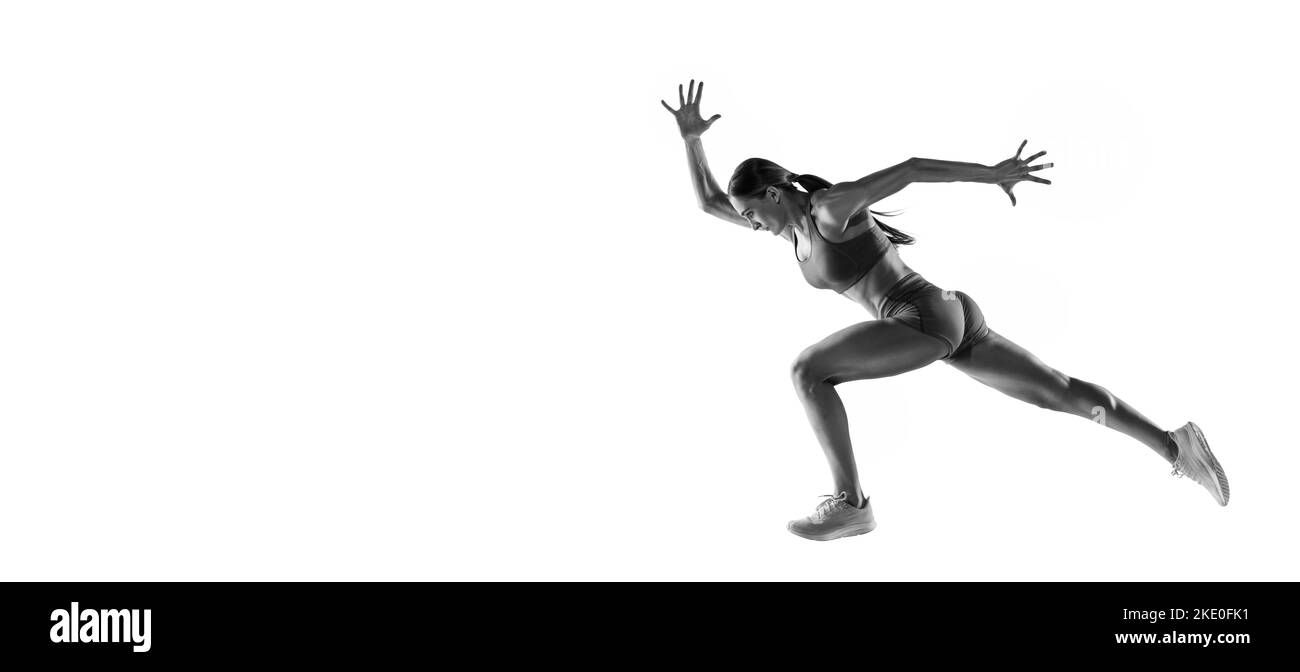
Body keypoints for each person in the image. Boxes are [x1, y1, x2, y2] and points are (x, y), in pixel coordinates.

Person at [661, 79, 1230, 541]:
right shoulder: (791, 233)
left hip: (922, 319)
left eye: (754, 213)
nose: (751, 224)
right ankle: (1174, 444)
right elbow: (711, 203)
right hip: (950, 317)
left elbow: (908, 169)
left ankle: (852, 504)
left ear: (775, 194)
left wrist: (993, 174)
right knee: (1059, 389)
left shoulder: (829, 210)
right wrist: (691, 139)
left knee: (807, 371)